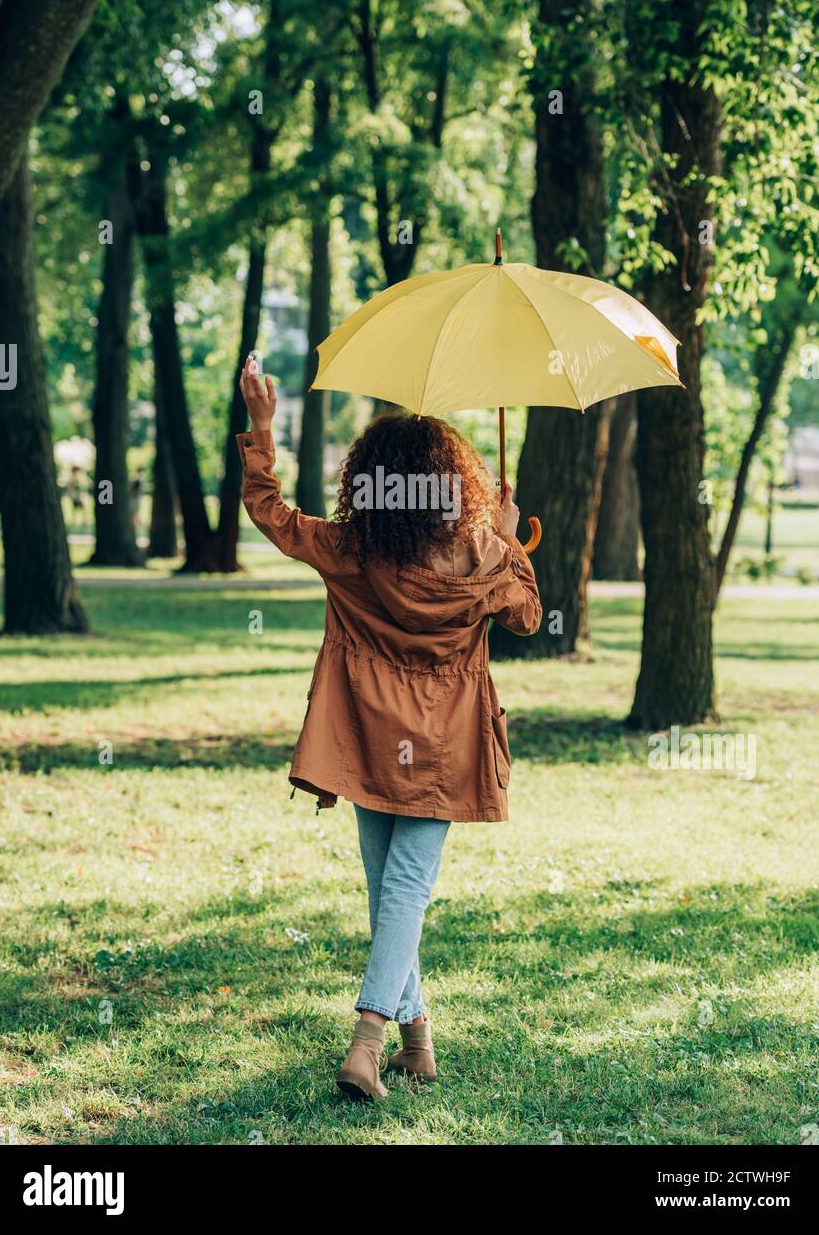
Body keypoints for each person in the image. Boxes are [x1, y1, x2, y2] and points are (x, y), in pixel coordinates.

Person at [237, 356, 541, 1101]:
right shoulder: (481, 553)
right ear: (451, 482)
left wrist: (263, 428)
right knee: (400, 893)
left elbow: (271, 515)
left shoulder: (351, 551)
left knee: (391, 894)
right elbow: (526, 618)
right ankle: (382, 1044)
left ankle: (403, 1044)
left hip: (371, 738)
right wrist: (508, 539)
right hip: (445, 746)